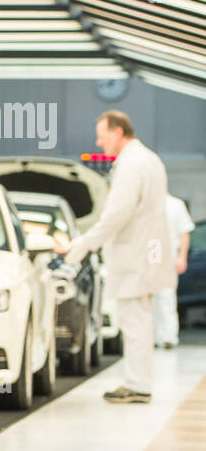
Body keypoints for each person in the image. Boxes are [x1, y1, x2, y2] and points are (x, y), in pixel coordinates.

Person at [65, 111, 176, 403]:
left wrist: (87, 243)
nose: (100, 143)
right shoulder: (147, 159)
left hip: (134, 253)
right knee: (138, 318)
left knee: (134, 320)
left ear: (117, 132)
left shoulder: (132, 163)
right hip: (143, 251)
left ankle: (138, 385)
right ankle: (138, 381)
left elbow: (118, 213)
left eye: (102, 136)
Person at [154, 195, 195, 348]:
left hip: (168, 259)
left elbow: (185, 232)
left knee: (167, 297)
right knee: (147, 300)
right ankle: (152, 338)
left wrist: (181, 257)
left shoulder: (175, 205)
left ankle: (168, 337)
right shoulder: (143, 203)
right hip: (146, 261)